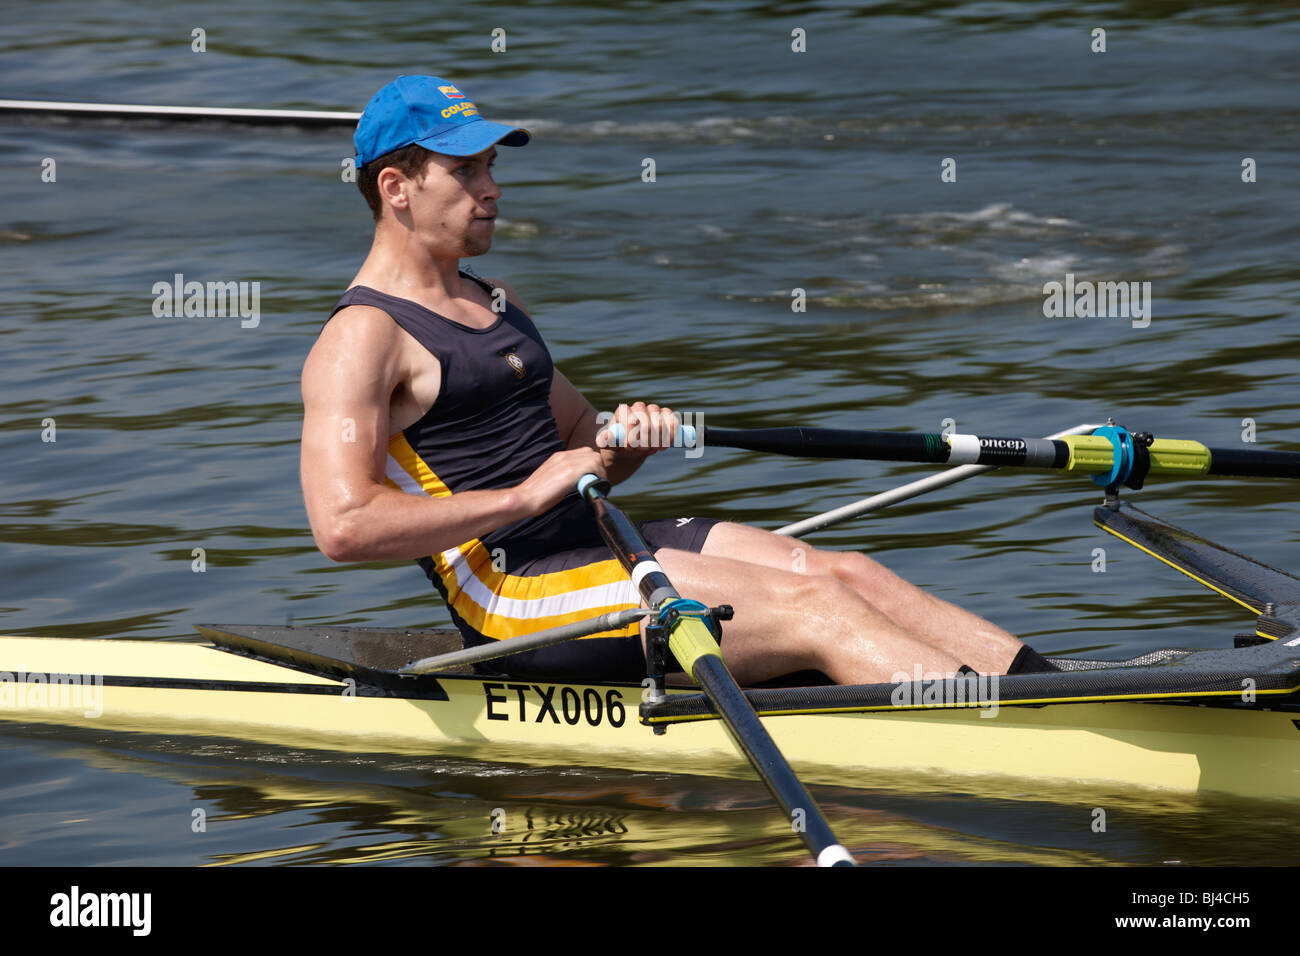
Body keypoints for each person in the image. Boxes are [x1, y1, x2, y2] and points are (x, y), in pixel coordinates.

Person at [299, 75, 1054, 686]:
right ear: (396, 188)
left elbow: (581, 444)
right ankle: (1009, 736)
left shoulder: (496, 300)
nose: (491, 188)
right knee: (815, 606)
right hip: (510, 590)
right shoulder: (361, 338)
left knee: (851, 574)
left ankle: (1058, 694)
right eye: (465, 171)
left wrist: (627, 441)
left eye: (492, 166)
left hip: (595, 539)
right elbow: (344, 526)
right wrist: (524, 497)